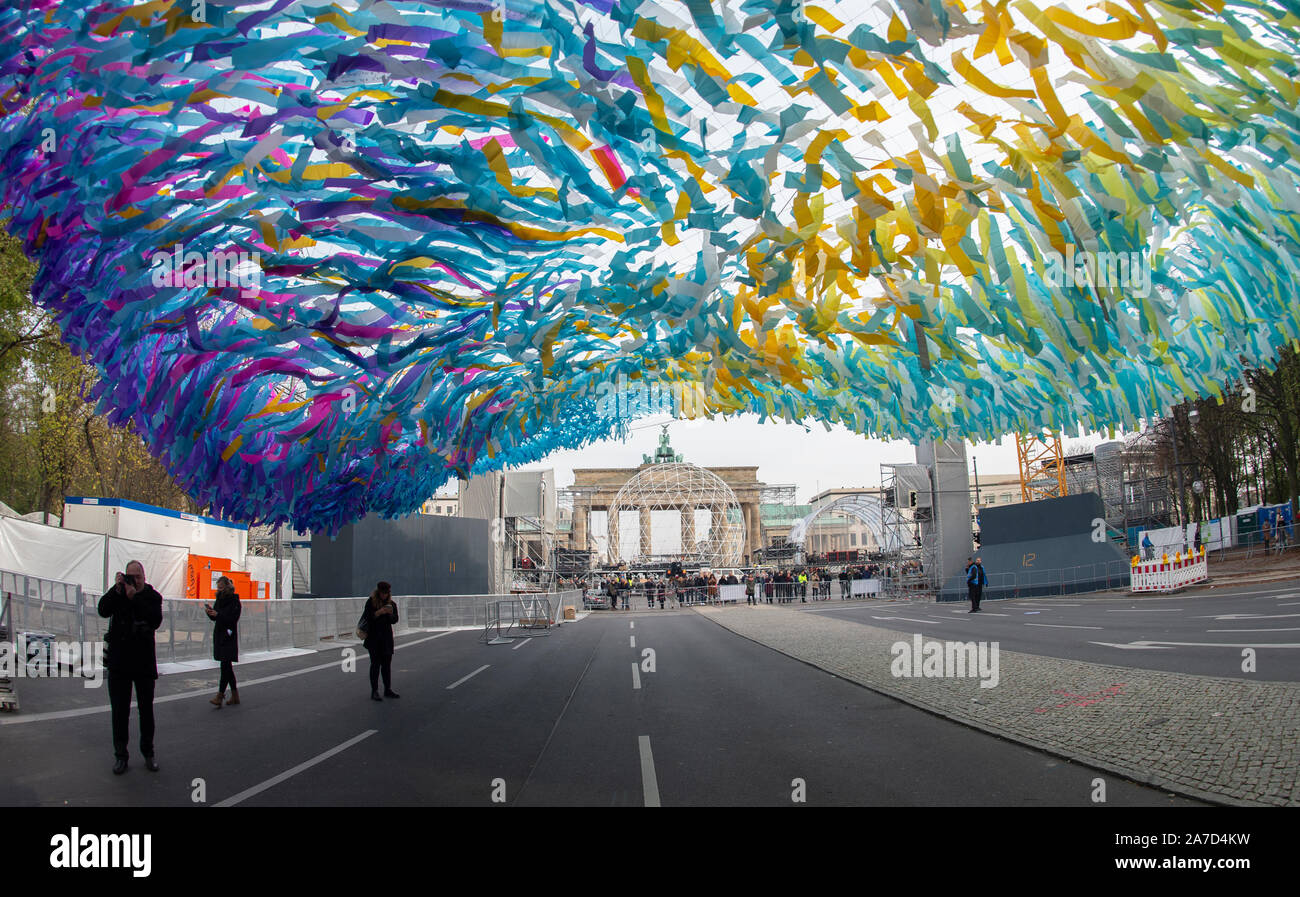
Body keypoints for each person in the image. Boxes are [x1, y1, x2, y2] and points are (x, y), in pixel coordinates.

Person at [98, 560, 163, 775]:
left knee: (146, 711)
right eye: (129, 576)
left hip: (143, 662)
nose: (133, 580)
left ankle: (148, 752)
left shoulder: (152, 597)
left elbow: (155, 620)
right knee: (119, 712)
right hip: (119, 663)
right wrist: (116, 590)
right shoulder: (119, 594)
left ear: (144, 576)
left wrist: (134, 598)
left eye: (137, 577)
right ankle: (121, 756)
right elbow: (103, 610)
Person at [205, 575, 242, 708]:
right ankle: (235, 695)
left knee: (225, 666)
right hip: (220, 635)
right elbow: (216, 618)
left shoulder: (234, 601)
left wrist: (218, 615)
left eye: (221, 588)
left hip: (228, 635)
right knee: (227, 666)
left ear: (227, 587)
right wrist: (210, 613)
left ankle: (220, 695)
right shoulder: (219, 599)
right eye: (218, 588)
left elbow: (232, 620)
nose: (219, 590)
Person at [361, 581, 399, 701]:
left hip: (386, 639)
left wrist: (389, 613)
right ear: (378, 592)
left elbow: (395, 620)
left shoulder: (391, 604)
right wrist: (378, 612)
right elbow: (367, 617)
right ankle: (375, 691)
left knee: (386, 666)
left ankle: (388, 689)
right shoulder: (371, 602)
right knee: (375, 665)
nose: (384, 595)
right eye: (383, 593)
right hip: (374, 639)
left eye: (386, 593)